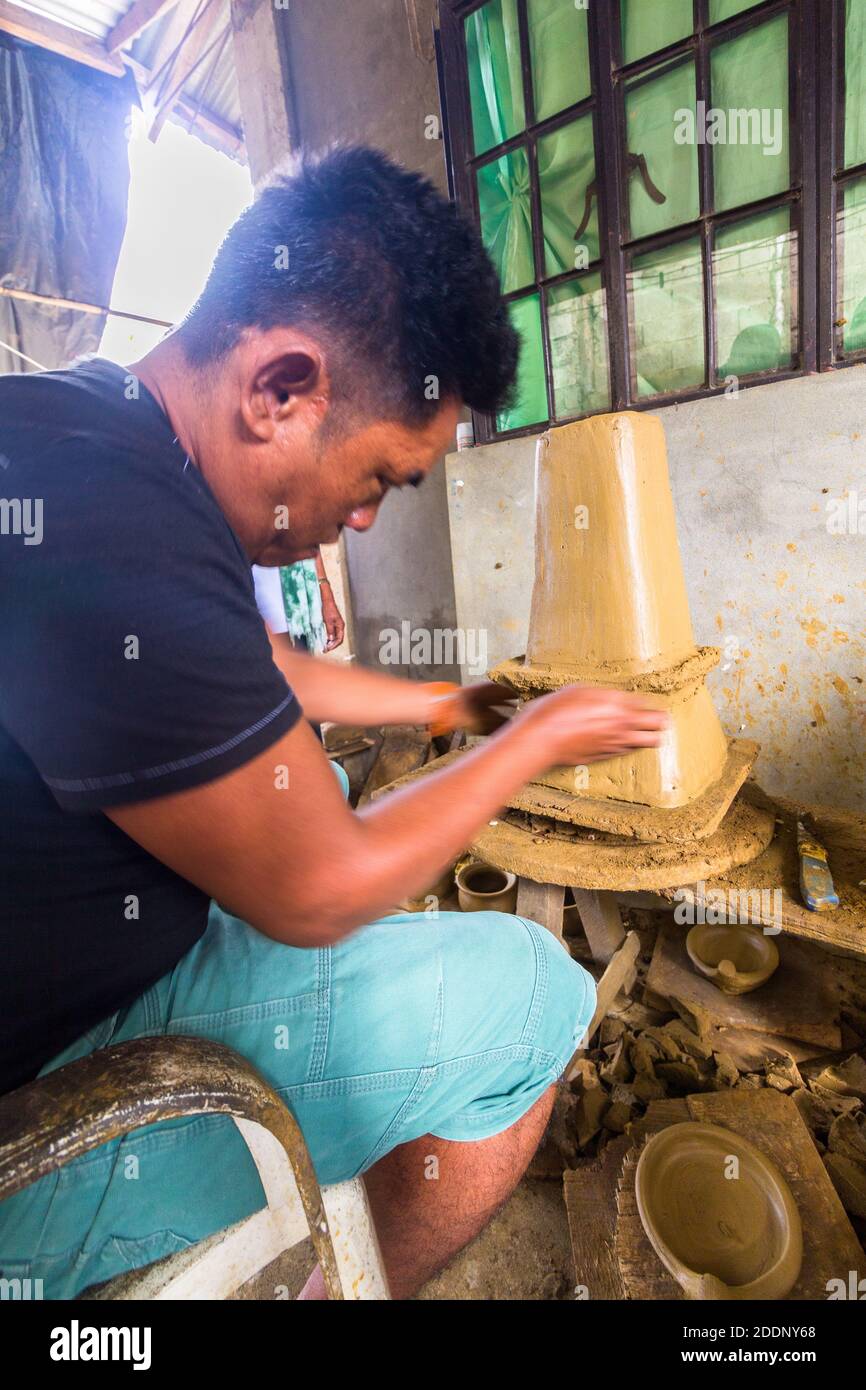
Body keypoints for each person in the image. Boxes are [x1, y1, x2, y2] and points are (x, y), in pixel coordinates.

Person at [0, 146, 667, 1299]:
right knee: (531, 995)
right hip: (39, 1108)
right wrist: (529, 742)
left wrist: (441, 703)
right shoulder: (118, 529)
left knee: (341, 803)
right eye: (376, 479)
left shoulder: (85, 429)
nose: (359, 522)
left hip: (70, 973)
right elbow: (318, 885)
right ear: (282, 388)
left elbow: (243, 660)